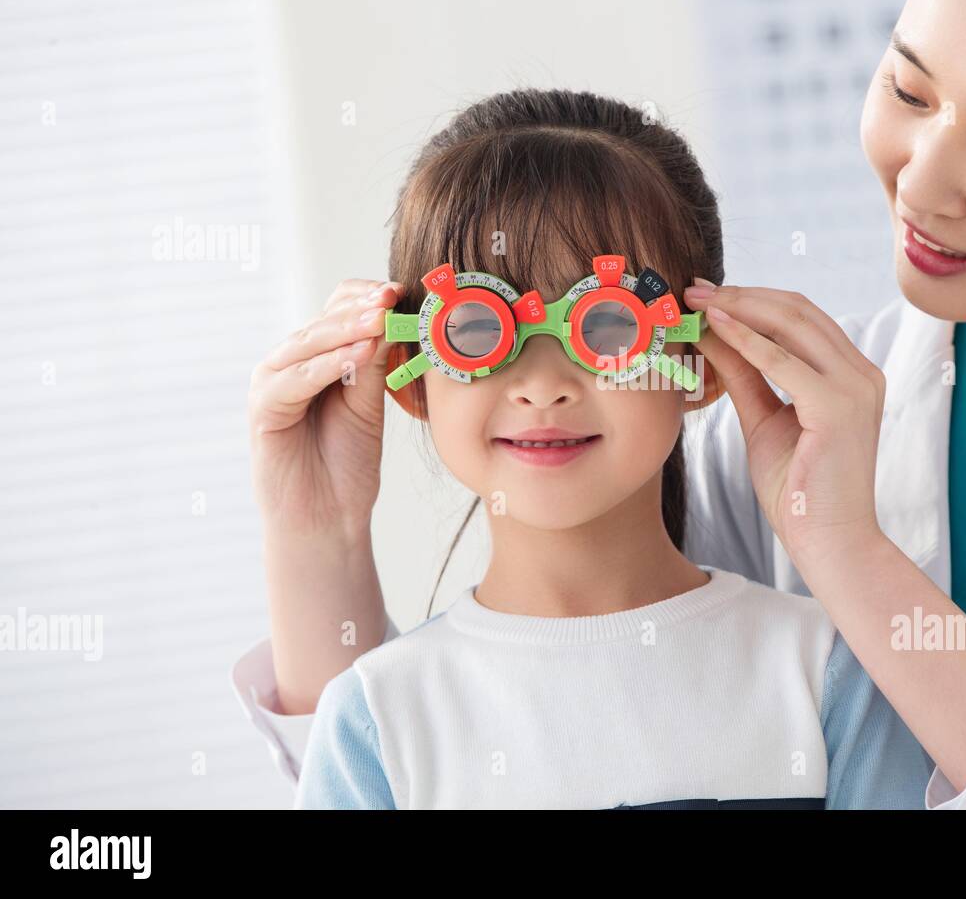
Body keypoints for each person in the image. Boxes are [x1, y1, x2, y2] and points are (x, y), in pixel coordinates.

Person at [236, 0, 966, 809]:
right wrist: (317, 536)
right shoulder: (759, 431)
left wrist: (848, 555)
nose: (920, 186)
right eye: (908, 90)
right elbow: (477, 743)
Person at [270, 88, 931, 809]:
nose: (543, 386)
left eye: (608, 324)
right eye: (478, 330)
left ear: (702, 361)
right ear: (412, 383)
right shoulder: (376, 720)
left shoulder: (826, 674)